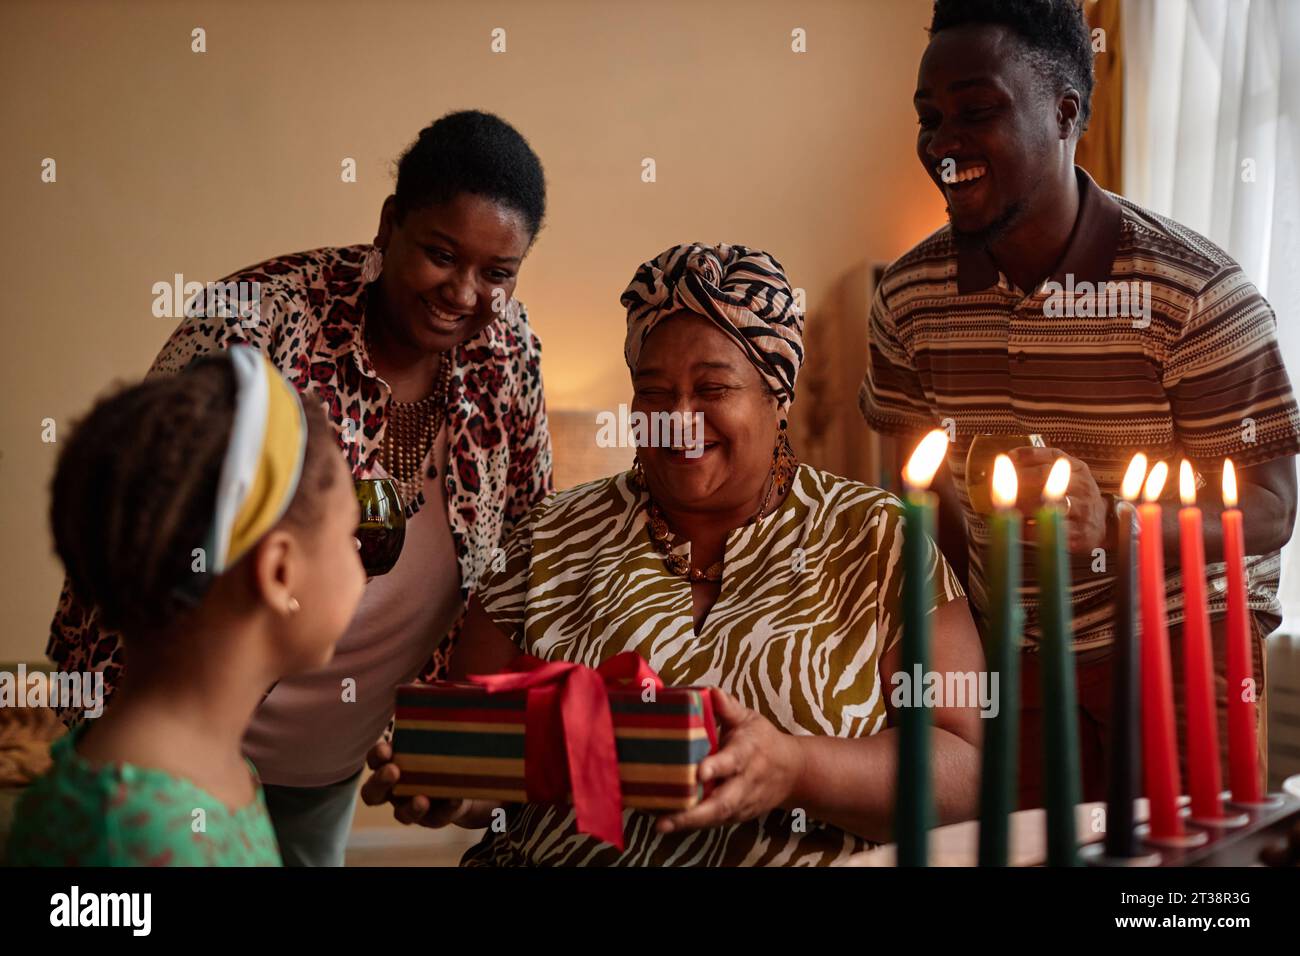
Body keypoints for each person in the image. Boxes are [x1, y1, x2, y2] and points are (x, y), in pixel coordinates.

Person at [362, 242, 986, 866]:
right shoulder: (545, 538)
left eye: (713, 388)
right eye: (653, 391)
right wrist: (450, 788)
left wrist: (796, 769)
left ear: (779, 396)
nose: (677, 419)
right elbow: (488, 756)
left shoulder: (879, 540)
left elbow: (964, 773)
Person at [44, 110, 555, 865]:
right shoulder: (260, 322)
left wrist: (463, 754)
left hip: (326, 765)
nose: (464, 292)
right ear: (389, 226)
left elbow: (520, 561)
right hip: (178, 742)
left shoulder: (507, 355)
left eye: (497, 273)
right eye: (441, 255)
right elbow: (148, 517)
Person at [860, 0, 1300, 807]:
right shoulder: (908, 297)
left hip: (1180, 644)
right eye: (930, 118)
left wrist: (1119, 528)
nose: (943, 142)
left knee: (1178, 888)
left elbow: (1270, 508)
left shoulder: (1195, 291)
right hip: (1013, 651)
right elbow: (921, 497)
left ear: (1066, 113)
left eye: (977, 110)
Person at [8, 348, 364, 865]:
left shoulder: (214, 768)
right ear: (279, 571)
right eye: (350, 535)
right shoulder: (132, 835)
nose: (361, 563)